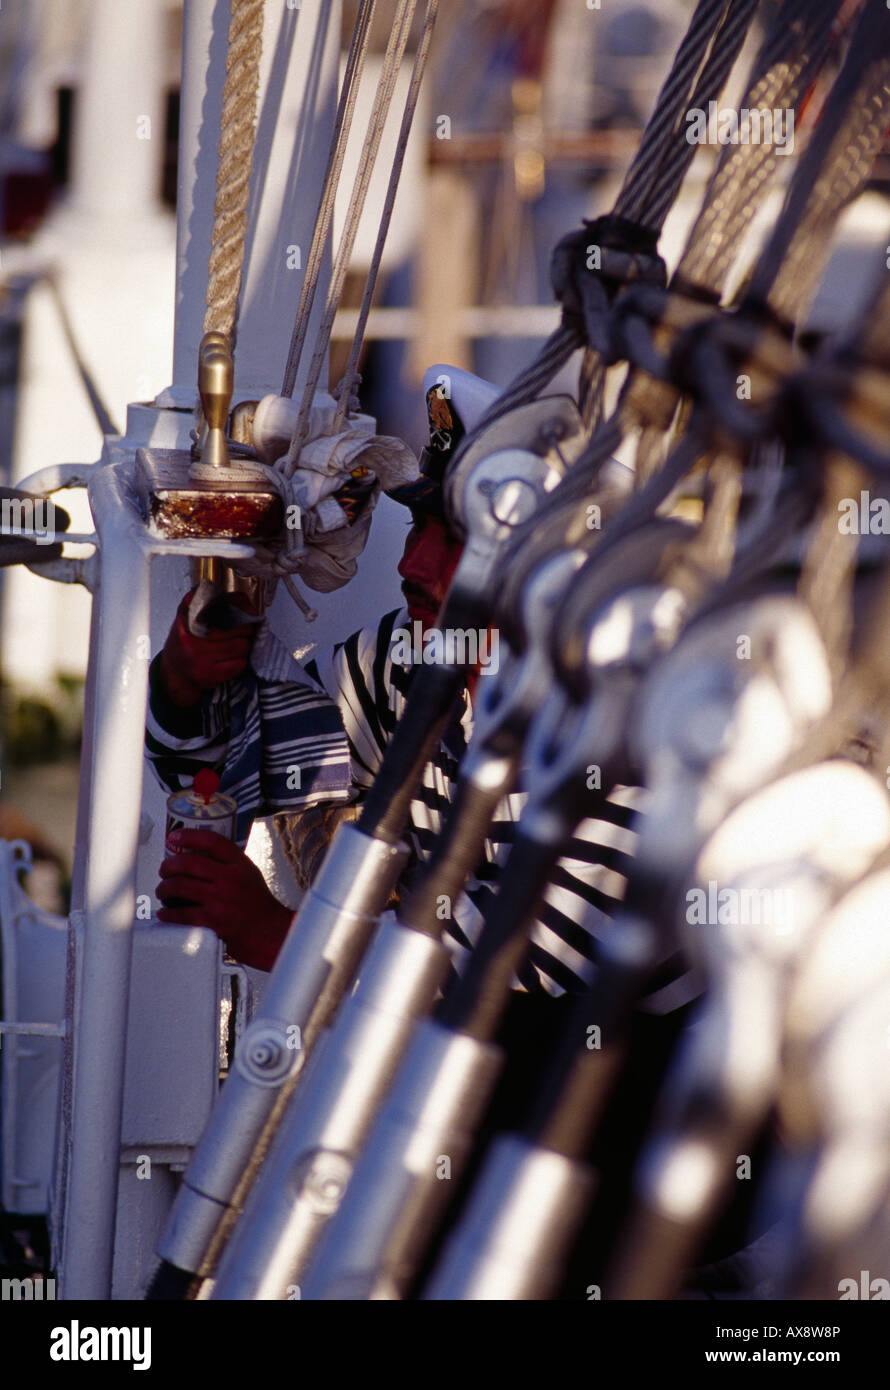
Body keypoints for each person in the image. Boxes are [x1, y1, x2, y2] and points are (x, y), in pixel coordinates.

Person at [145, 369, 645, 1001]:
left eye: (457, 540)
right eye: (418, 529)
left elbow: (537, 965)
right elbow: (242, 771)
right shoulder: (408, 662)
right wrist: (186, 678)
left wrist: (279, 938)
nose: (413, 564)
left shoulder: (631, 716)